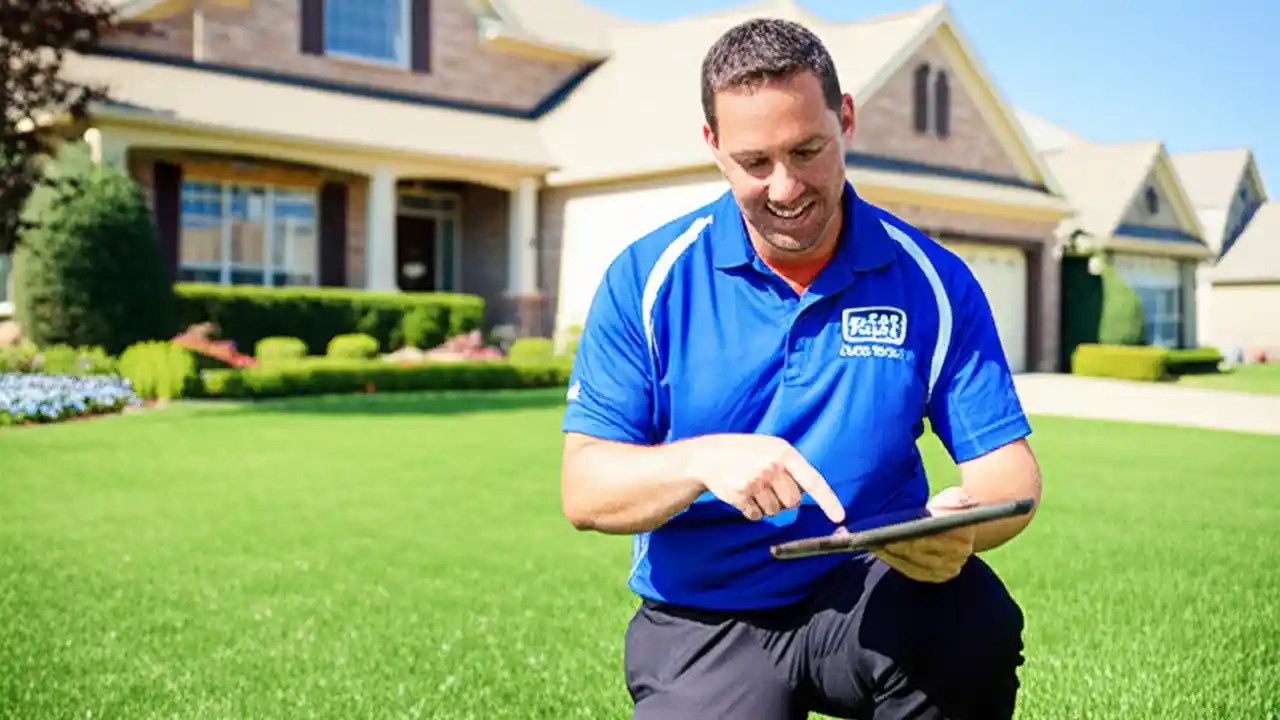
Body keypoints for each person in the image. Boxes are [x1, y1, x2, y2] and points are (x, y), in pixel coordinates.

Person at [559, 15, 1043, 720]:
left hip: (869, 588)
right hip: (705, 614)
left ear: (845, 120)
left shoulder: (933, 281)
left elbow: (1011, 476)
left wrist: (963, 527)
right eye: (755, 162)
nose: (785, 188)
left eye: (807, 150)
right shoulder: (649, 278)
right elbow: (585, 488)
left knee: (971, 620)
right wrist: (702, 460)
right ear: (714, 147)